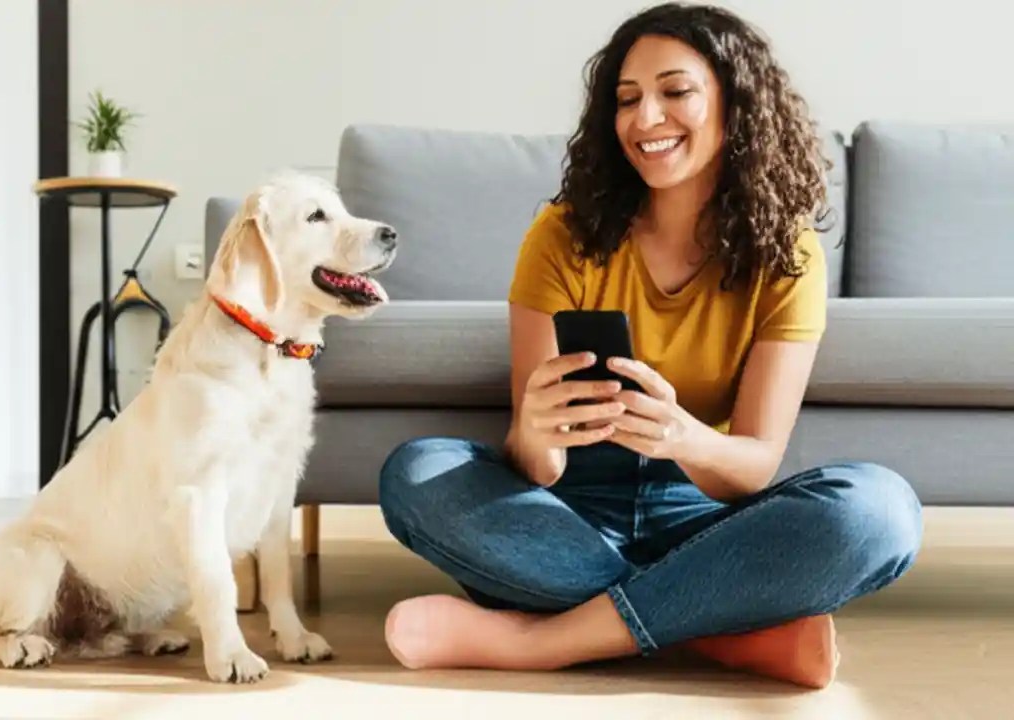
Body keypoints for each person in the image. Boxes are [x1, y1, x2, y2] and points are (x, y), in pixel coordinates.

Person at [376, 2, 922, 689]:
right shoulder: (563, 234)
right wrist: (538, 432)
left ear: (736, 103)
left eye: (676, 92)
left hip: (700, 512)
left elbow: (751, 466)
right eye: (627, 99)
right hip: (562, 514)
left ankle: (545, 640)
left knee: (879, 512)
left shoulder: (788, 256)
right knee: (417, 472)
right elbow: (532, 466)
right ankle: (717, 630)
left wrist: (681, 436)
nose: (644, 118)